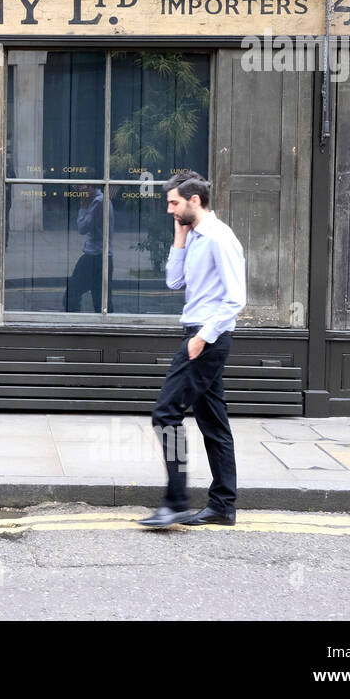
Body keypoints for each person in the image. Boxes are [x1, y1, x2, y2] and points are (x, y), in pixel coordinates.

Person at [138, 171, 246, 529]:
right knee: (214, 424)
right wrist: (179, 235)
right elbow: (174, 281)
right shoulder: (195, 235)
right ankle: (222, 506)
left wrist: (202, 339)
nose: (169, 209)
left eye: (174, 203)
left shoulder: (219, 238)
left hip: (206, 338)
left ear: (194, 201)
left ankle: (176, 502)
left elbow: (235, 299)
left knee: (165, 413)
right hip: (197, 333)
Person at [65, 185, 113, 312]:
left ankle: (72, 325)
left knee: (72, 295)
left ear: (92, 186)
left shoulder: (99, 202)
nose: (81, 191)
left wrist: (83, 206)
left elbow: (82, 228)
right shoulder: (99, 200)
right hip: (100, 255)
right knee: (102, 302)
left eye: (83, 187)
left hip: (95, 256)